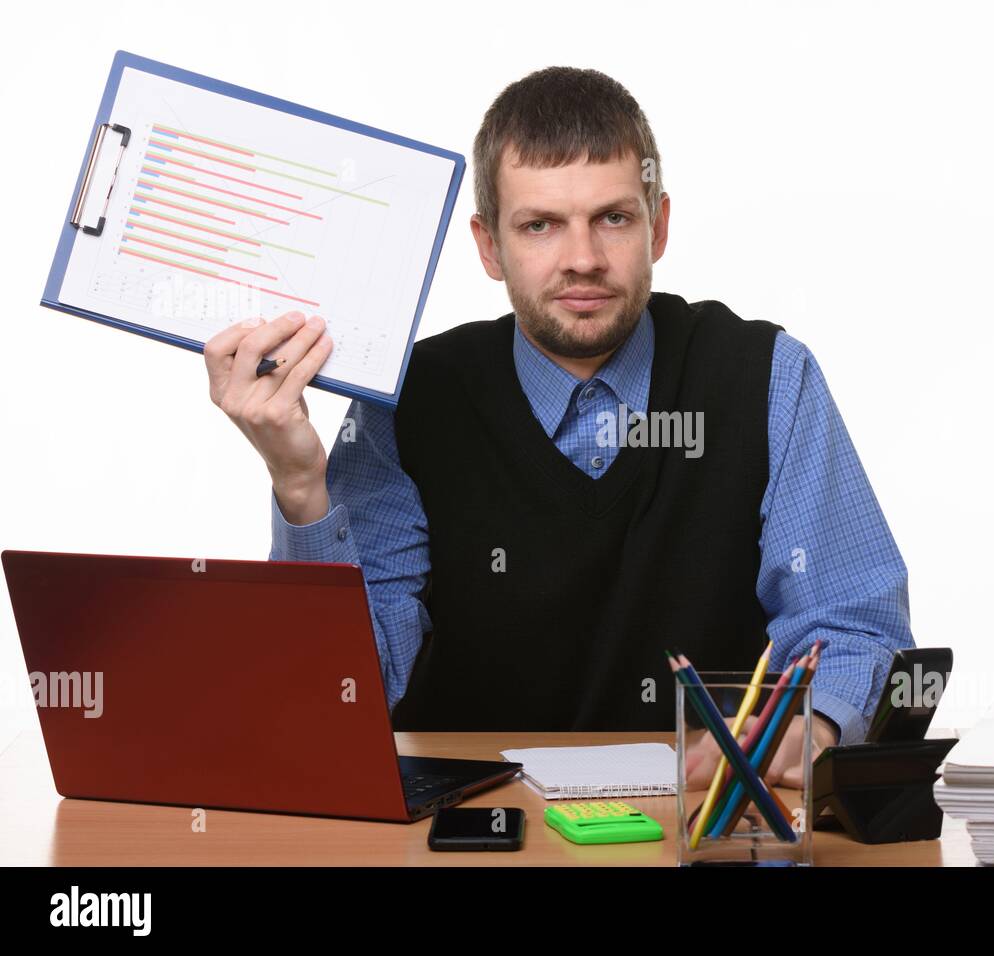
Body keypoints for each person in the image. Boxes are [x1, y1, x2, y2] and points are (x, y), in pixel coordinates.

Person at [203, 66, 913, 789]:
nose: (583, 260)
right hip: (472, 829)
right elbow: (343, 695)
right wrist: (299, 485)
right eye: (539, 225)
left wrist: (813, 724)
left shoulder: (765, 377)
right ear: (488, 247)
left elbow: (854, 624)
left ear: (658, 226)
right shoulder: (409, 401)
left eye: (613, 218)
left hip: (698, 823)